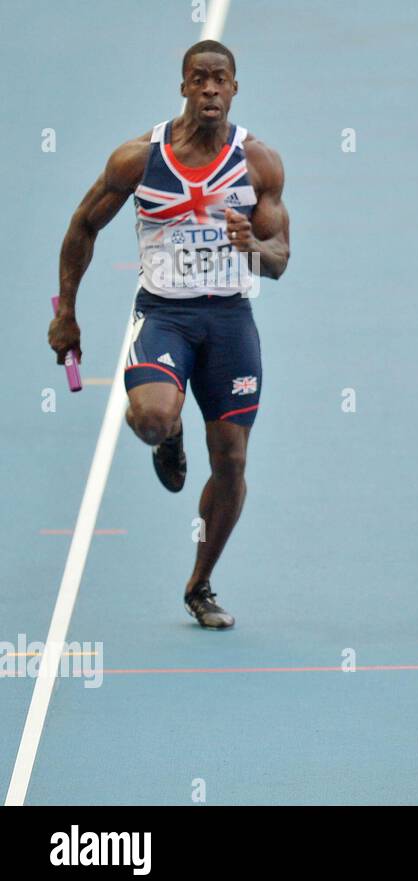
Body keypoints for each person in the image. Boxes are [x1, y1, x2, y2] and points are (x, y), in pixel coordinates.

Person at [47, 40, 290, 629]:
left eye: (220, 81)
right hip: (166, 315)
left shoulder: (259, 162)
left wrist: (250, 246)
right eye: (199, 79)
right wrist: (66, 311)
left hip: (230, 321)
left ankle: (201, 583)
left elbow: (280, 259)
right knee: (152, 416)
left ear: (235, 88)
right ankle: (169, 435)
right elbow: (83, 225)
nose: (210, 90)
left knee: (230, 462)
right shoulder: (138, 158)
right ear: (183, 85)